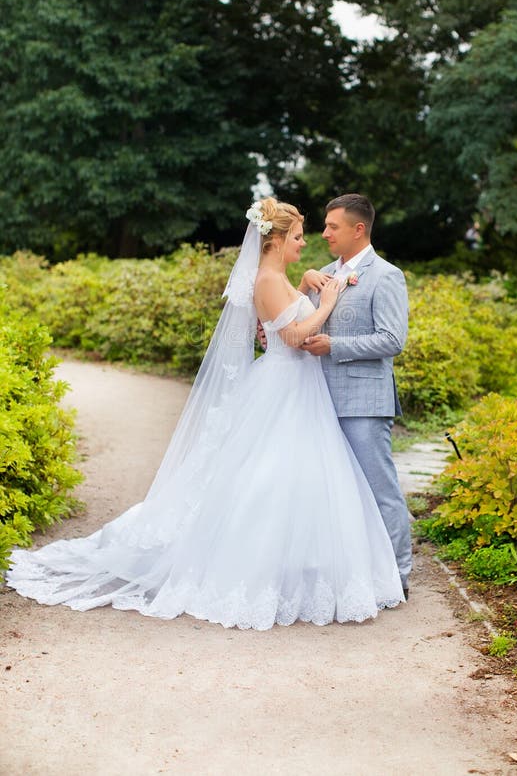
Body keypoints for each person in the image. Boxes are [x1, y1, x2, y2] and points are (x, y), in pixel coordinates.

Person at [6, 198, 404, 630]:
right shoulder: (268, 279)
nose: (307, 242)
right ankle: (265, 571)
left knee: (302, 482)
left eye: (315, 232)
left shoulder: (300, 277)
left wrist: (310, 287)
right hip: (286, 386)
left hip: (305, 391)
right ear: (275, 239)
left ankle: (312, 569)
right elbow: (290, 334)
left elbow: (302, 314)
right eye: (298, 236)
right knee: (269, 483)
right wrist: (323, 305)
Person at [303, 194, 411, 596]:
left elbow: (392, 339)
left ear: (358, 229)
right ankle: (348, 577)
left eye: (333, 226)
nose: (325, 232)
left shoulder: (386, 276)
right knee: (332, 492)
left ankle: (398, 577)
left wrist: (335, 346)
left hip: (364, 403)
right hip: (315, 401)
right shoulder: (323, 275)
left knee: (378, 490)